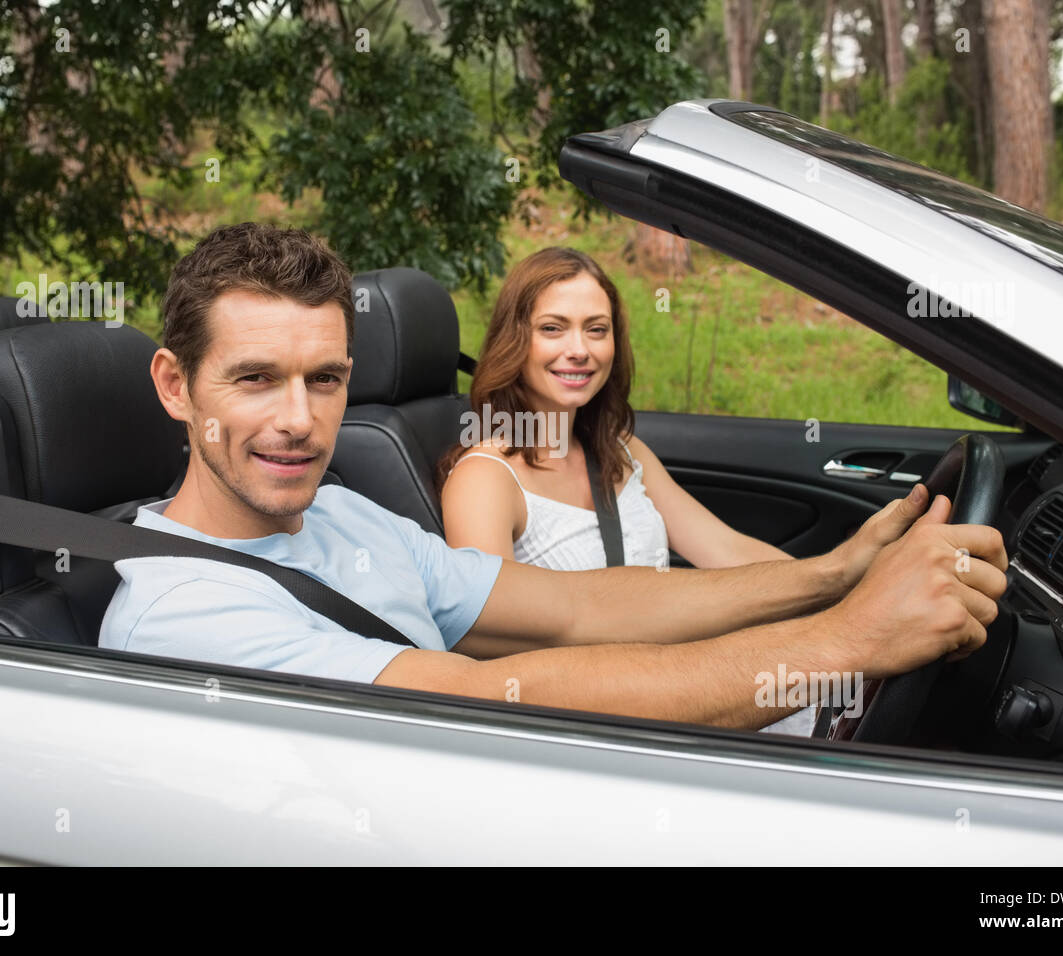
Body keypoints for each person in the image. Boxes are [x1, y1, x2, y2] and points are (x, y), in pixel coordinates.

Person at [99, 223, 1008, 733]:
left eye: (326, 379)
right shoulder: (185, 613)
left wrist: (834, 577)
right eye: (256, 378)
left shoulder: (340, 514)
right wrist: (847, 642)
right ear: (177, 387)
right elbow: (487, 697)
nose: (299, 419)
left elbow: (580, 611)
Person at [436, 247, 810, 731]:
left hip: (683, 682)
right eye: (553, 328)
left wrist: (840, 586)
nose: (580, 349)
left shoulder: (621, 452)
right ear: (516, 342)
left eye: (597, 329)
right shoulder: (486, 478)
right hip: (598, 720)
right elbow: (495, 640)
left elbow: (726, 548)